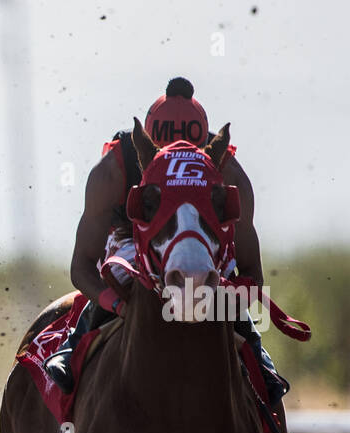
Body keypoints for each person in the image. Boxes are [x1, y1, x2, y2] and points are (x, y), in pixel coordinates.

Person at [45, 78, 286, 402]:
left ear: (203, 148)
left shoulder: (227, 171)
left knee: (224, 278)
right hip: (133, 238)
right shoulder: (113, 170)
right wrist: (118, 305)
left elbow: (250, 273)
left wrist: (225, 307)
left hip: (204, 242)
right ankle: (74, 345)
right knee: (120, 272)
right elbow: (82, 266)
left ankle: (257, 357)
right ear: (146, 147)